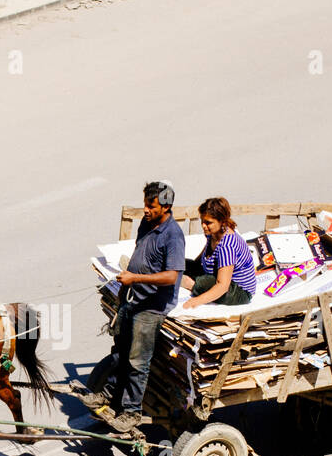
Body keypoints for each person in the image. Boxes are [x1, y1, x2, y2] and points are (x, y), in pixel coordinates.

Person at [84, 181, 186, 432]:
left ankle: (131, 412)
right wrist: (126, 284)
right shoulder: (146, 224)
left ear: (166, 206)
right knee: (119, 351)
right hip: (132, 297)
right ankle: (109, 395)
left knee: (137, 360)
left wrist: (135, 279)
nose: (146, 210)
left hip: (152, 307)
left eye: (151, 206)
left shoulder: (173, 236)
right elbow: (139, 256)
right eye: (145, 205)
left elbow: (172, 276)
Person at [180, 196, 258, 308]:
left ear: (221, 222)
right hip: (218, 274)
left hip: (238, 290)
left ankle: (190, 284)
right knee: (183, 263)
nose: (203, 226)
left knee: (204, 282)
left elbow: (222, 286)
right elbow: (202, 258)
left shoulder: (227, 246)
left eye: (208, 223)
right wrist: (190, 267)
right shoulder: (212, 234)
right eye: (202, 221)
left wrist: (196, 301)